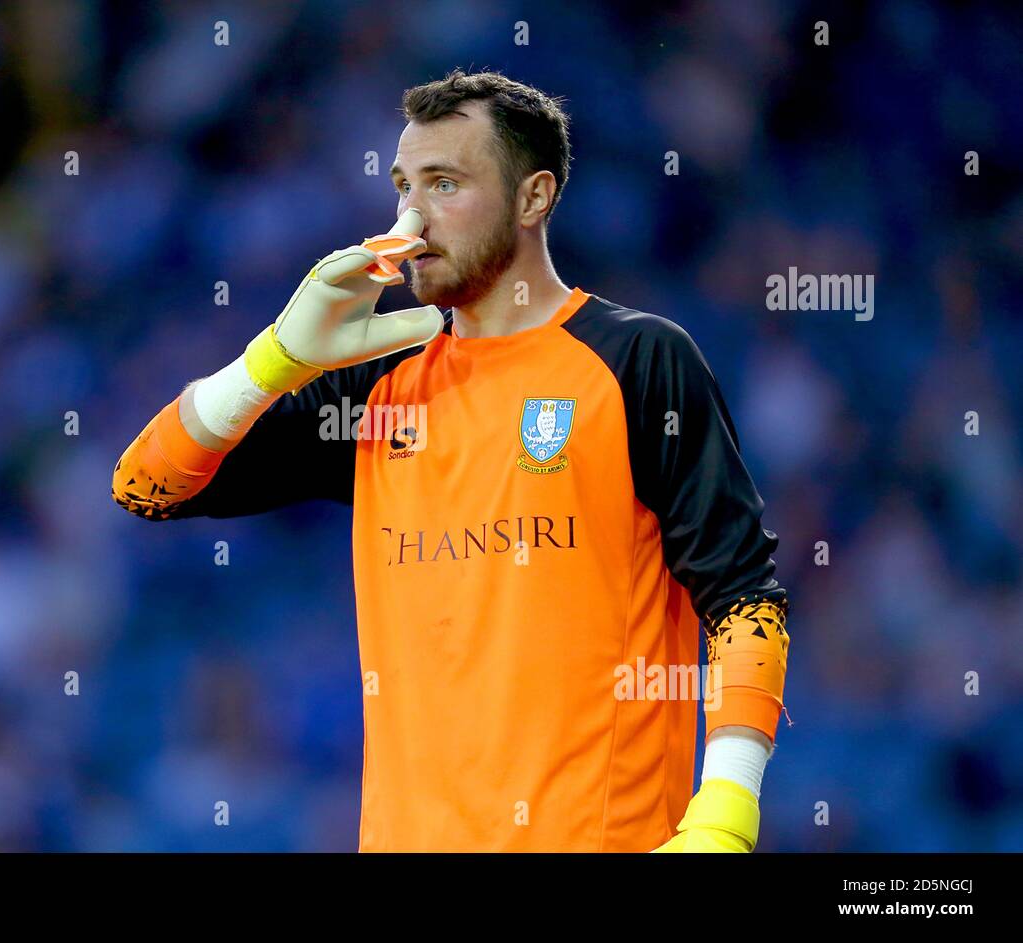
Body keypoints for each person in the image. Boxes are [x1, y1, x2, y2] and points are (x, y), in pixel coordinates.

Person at [113, 69, 791, 852]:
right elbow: (146, 485)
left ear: (534, 198)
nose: (411, 219)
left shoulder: (638, 360)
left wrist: (726, 812)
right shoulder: (380, 385)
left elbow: (745, 598)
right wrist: (271, 361)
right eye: (403, 187)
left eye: (444, 185)